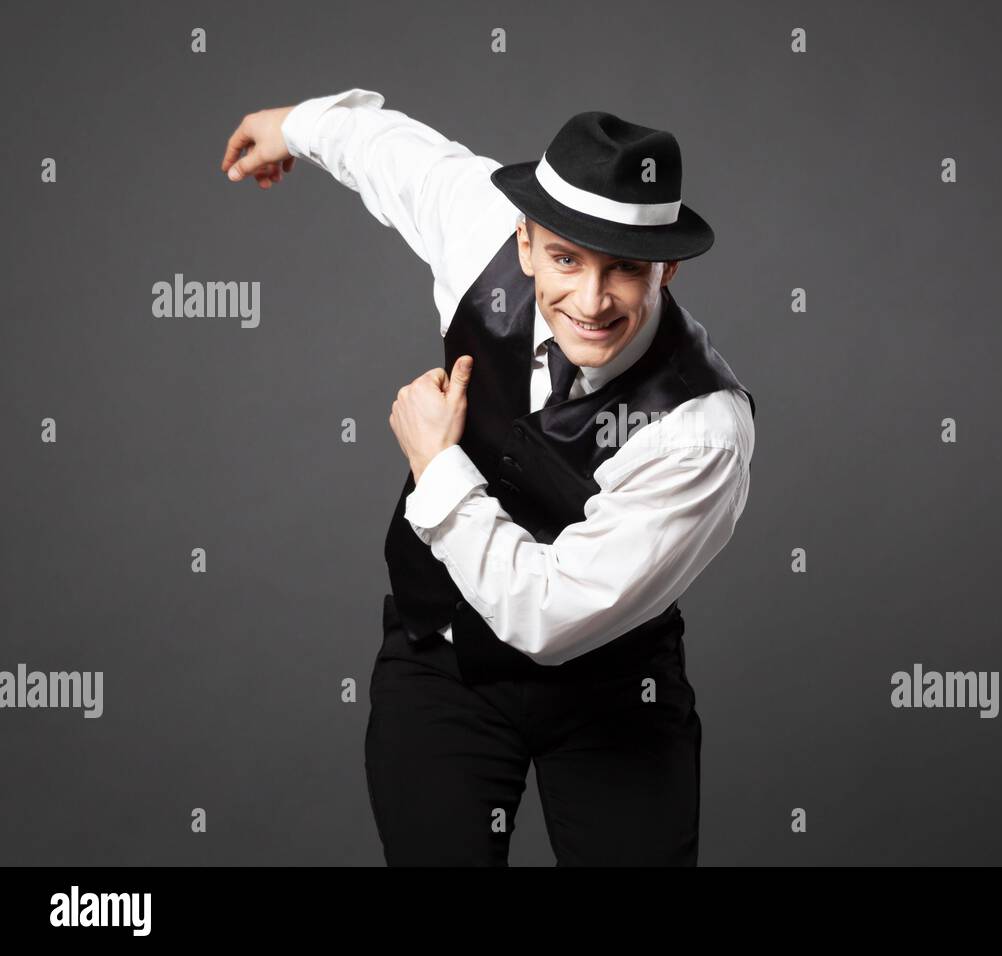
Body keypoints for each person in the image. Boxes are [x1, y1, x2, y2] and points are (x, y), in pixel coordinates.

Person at [220, 90, 756, 865]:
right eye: (566, 259)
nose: (592, 300)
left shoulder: (700, 430)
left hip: (615, 691)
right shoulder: (479, 233)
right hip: (440, 660)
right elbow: (386, 150)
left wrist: (436, 465)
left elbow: (548, 616)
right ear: (525, 241)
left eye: (625, 269)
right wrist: (290, 128)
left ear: (666, 268)